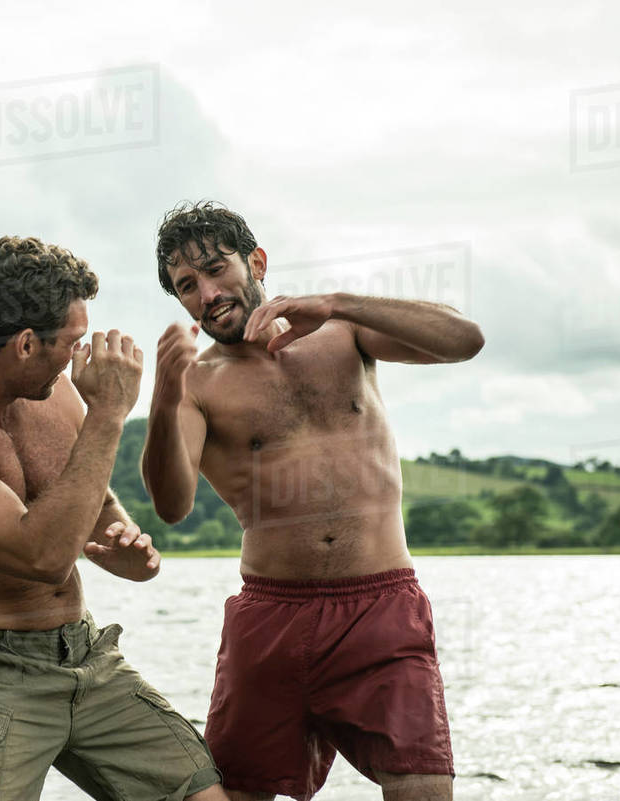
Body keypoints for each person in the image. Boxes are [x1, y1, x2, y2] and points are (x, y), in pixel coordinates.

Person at [142, 202, 484, 801]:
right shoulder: (198, 383)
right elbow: (172, 505)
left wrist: (339, 303)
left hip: (381, 608)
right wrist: (164, 396)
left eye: (217, 270)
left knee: (424, 787)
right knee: (239, 790)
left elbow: (465, 340)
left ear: (257, 262)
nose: (208, 294)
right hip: (270, 618)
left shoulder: (342, 332)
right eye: (187, 286)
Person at [0, 235, 226, 801]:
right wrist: (109, 412)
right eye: (73, 341)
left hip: (85, 652)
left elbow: (87, 498)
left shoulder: (51, 391)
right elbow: (42, 556)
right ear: (25, 344)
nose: (81, 357)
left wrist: (125, 543)